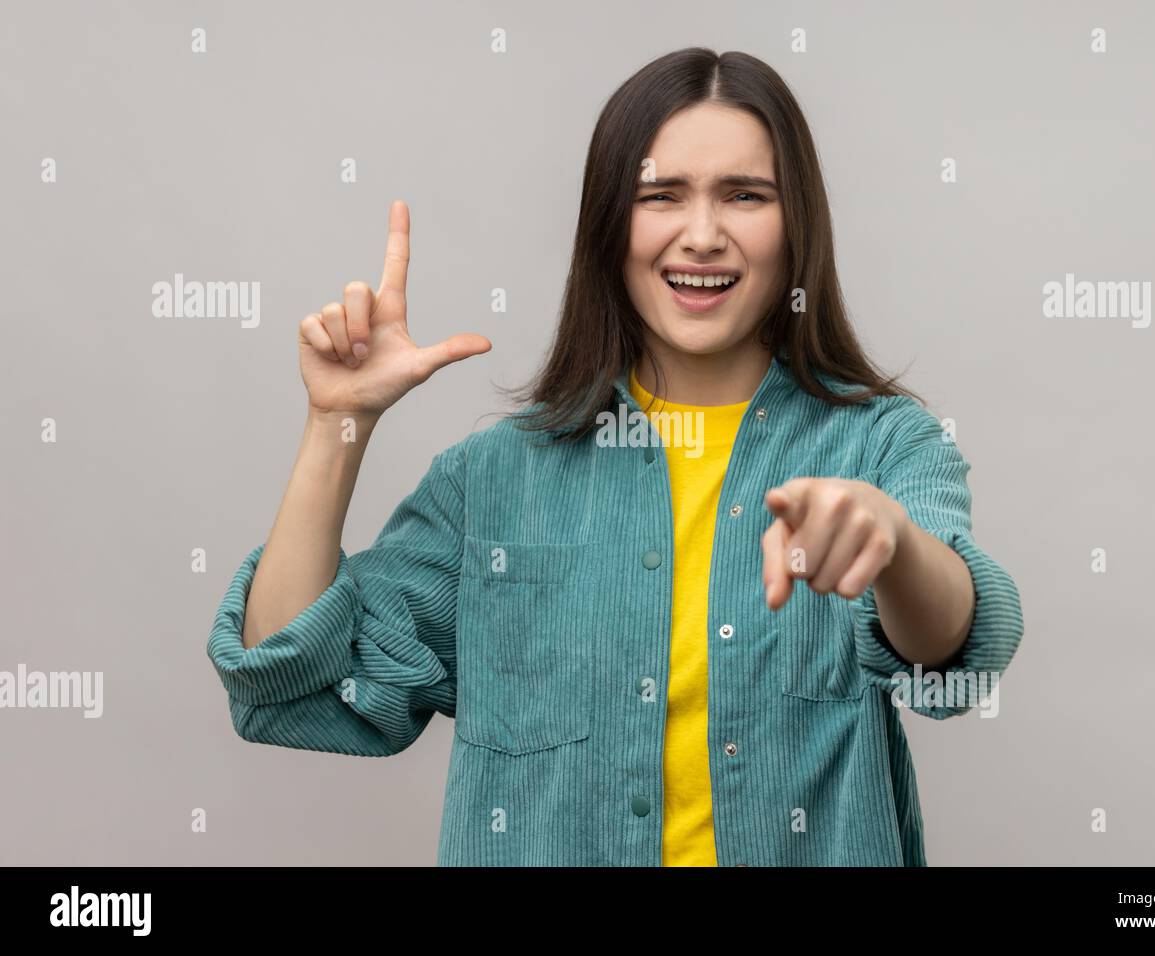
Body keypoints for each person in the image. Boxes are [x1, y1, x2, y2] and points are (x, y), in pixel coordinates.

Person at [206, 47, 1024, 867]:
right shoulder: (494, 477)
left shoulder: (881, 443)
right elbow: (290, 687)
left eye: (745, 196)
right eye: (660, 196)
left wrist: (894, 546)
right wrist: (334, 425)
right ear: (610, 223)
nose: (701, 236)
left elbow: (955, 655)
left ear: (796, 222)